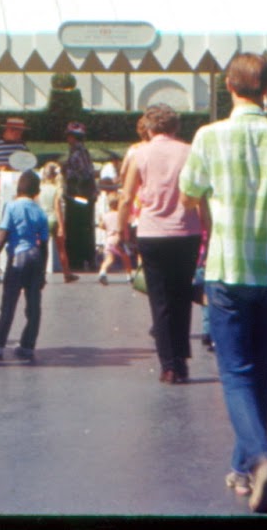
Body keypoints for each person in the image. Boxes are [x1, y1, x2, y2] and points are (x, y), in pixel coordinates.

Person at [179, 52, 267, 514]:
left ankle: (262, 457)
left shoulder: (208, 137)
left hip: (227, 268)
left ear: (229, 87)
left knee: (235, 374)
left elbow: (190, 192)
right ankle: (244, 468)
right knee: (261, 372)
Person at [117, 103, 202, 384]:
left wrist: (121, 230)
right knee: (182, 297)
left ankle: (168, 364)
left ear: (150, 127)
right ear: (176, 127)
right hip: (186, 231)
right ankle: (182, 358)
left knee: (160, 300)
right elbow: (200, 195)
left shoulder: (139, 153)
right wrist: (208, 230)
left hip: (152, 232)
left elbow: (127, 197)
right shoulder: (190, 152)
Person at [0, 168, 49, 363]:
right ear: (36, 191)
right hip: (36, 258)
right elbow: (44, 245)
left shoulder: (11, 207)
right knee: (33, 304)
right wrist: (43, 273)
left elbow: (2, 235)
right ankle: (28, 345)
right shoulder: (40, 212)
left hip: (18, 258)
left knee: (9, 303)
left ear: (18, 188)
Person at [62, 122, 97, 272]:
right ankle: (87, 258)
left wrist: (66, 172)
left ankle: (78, 260)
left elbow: (82, 173)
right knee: (85, 227)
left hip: (78, 195)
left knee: (77, 228)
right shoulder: (82, 152)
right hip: (84, 195)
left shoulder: (77, 153)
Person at [39, 162, 79, 283]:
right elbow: (57, 208)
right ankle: (67, 274)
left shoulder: (40, 188)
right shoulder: (56, 189)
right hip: (53, 219)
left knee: (43, 249)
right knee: (61, 249)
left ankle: (42, 275)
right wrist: (62, 226)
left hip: (43, 220)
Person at [95, 191, 133, 285]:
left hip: (109, 240)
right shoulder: (121, 215)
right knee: (126, 259)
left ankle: (102, 272)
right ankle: (129, 276)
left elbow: (102, 226)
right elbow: (127, 224)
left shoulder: (106, 216)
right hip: (120, 239)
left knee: (109, 259)